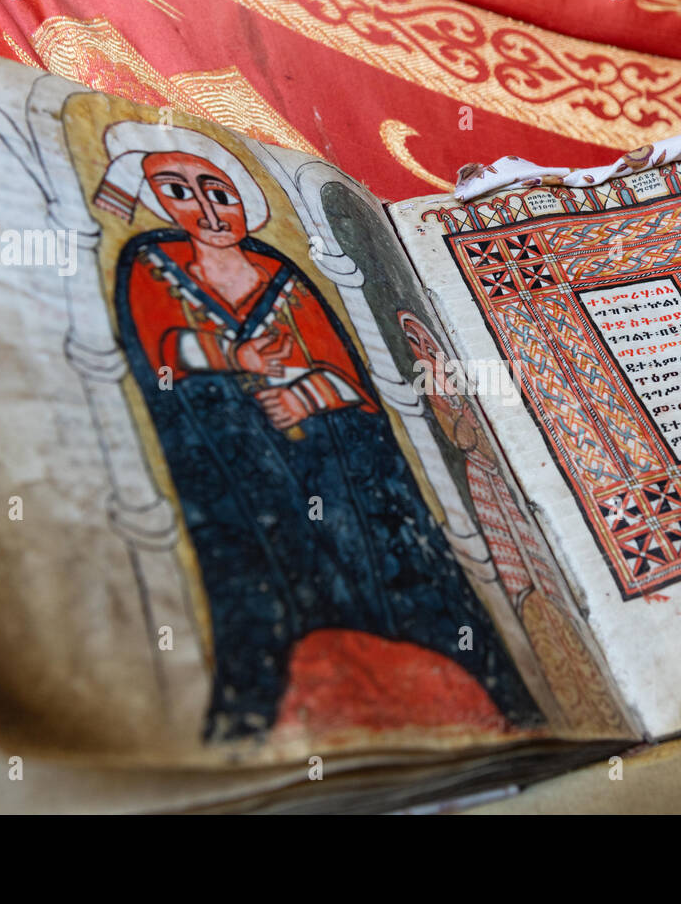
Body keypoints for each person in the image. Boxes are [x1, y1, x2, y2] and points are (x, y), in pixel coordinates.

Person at [90, 122, 541, 740]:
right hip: (236, 469)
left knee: (369, 562)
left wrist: (304, 394)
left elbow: (351, 380)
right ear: (158, 200)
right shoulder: (152, 264)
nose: (204, 208)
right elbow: (157, 356)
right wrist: (234, 363)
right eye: (179, 191)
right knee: (266, 580)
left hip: (332, 463)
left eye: (217, 191)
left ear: (243, 202)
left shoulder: (282, 275)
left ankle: (446, 691)